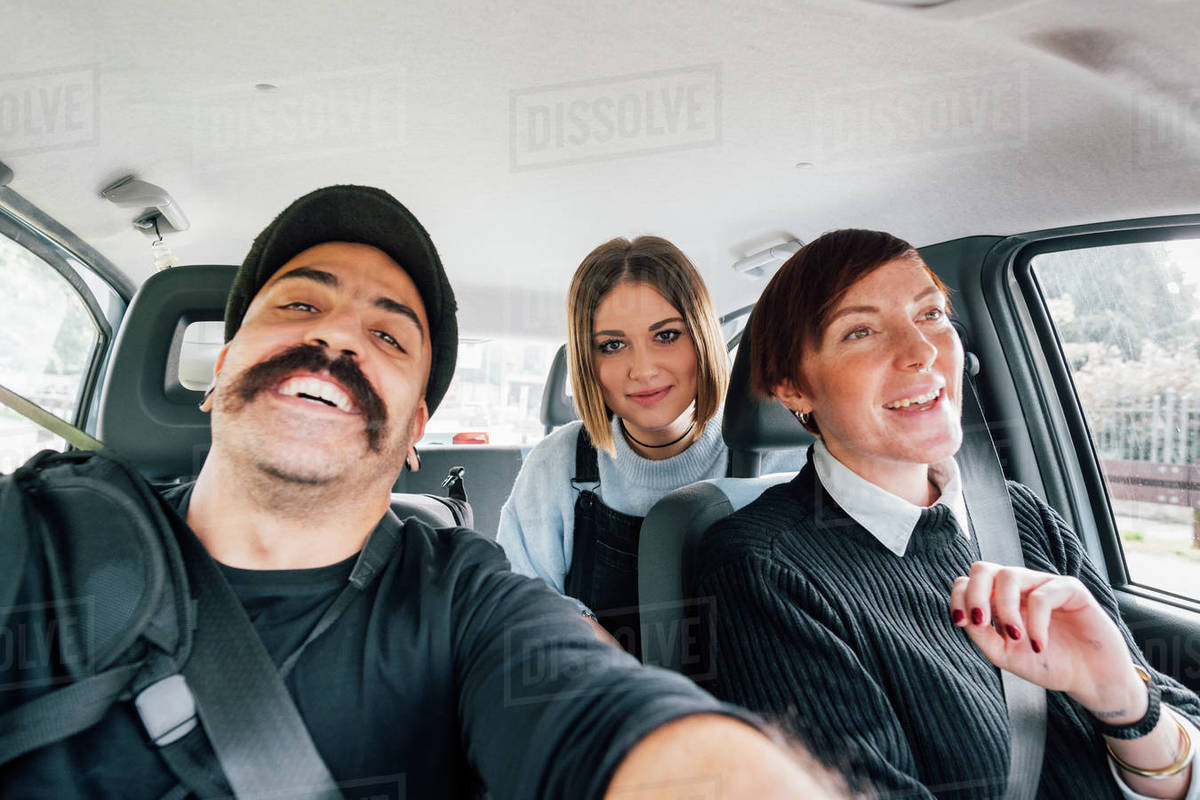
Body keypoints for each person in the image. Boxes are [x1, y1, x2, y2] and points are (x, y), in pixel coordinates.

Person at [0, 187, 842, 799]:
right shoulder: (41, 532)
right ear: (218, 368)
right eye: (299, 302)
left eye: (387, 334)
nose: (332, 334)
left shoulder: (461, 602)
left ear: (415, 430)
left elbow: (587, 704)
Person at [690, 228, 1200, 799]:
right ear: (792, 389)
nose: (922, 351)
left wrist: (1125, 704)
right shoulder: (762, 571)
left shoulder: (1018, 512)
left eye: (930, 315)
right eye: (859, 331)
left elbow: (1175, 731)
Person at [497, 236, 790, 657]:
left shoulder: (781, 460)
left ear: (704, 339)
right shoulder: (558, 464)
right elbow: (517, 603)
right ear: (587, 362)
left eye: (667, 335)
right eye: (612, 345)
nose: (643, 369)